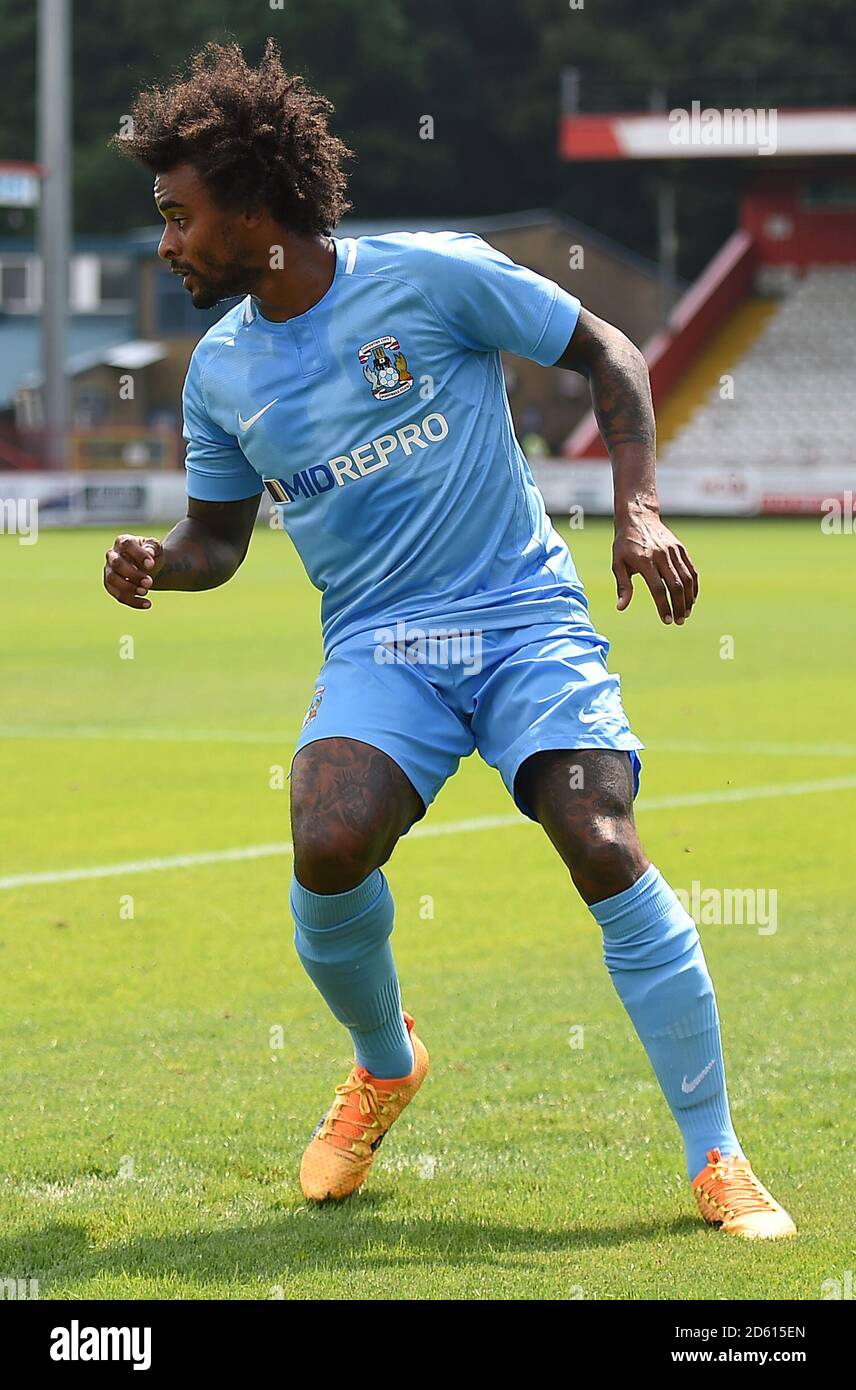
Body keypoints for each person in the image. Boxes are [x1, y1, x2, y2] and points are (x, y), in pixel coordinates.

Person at [104, 41, 795, 1238]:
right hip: (381, 645)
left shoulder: (430, 278)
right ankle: (386, 1063)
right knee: (325, 843)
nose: (167, 242)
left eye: (179, 215)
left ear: (254, 207)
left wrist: (634, 507)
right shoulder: (219, 372)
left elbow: (610, 355)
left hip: (524, 622)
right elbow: (219, 538)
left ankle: (715, 1156)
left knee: (599, 837)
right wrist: (165, 563)